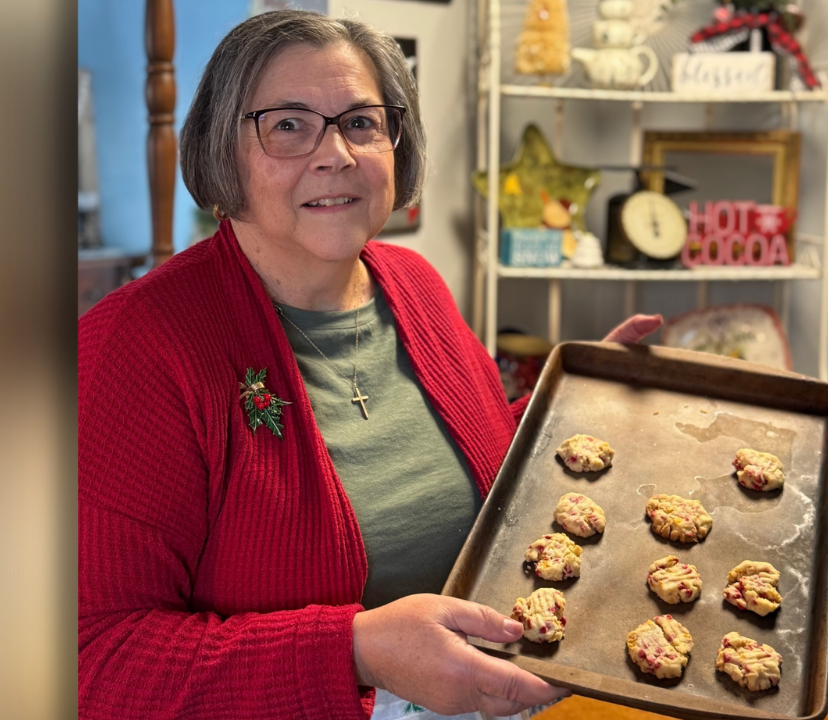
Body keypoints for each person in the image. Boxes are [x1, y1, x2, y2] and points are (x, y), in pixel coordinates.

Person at [78, 10, 662, 719]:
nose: (338, 154)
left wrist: (578, 407)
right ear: (220, 150)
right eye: (287, 124)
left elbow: (476, 471)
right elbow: (94, 663)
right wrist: (354, 650)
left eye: (361, 122)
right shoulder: (133, 349)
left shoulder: (413, 284)